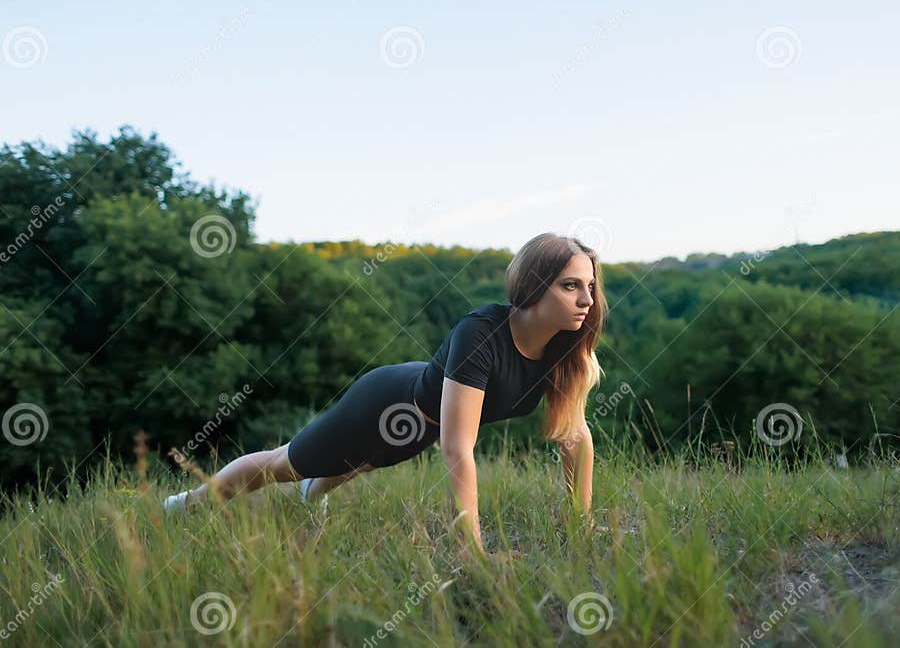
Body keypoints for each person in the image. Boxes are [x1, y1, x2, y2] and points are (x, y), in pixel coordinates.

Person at [163, 232, 607, 559]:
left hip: (418, 429)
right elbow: (458, 447)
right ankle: (188, 503)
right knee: (287, 464)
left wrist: (581, 524)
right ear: (531, 286)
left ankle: (312, 498)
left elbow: (574, 437)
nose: (586, 299)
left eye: (589, 286)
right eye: (570, 285)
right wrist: (471, 550)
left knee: (362, 462)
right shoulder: (481, 332)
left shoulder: (568, 351)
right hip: (385, 404)